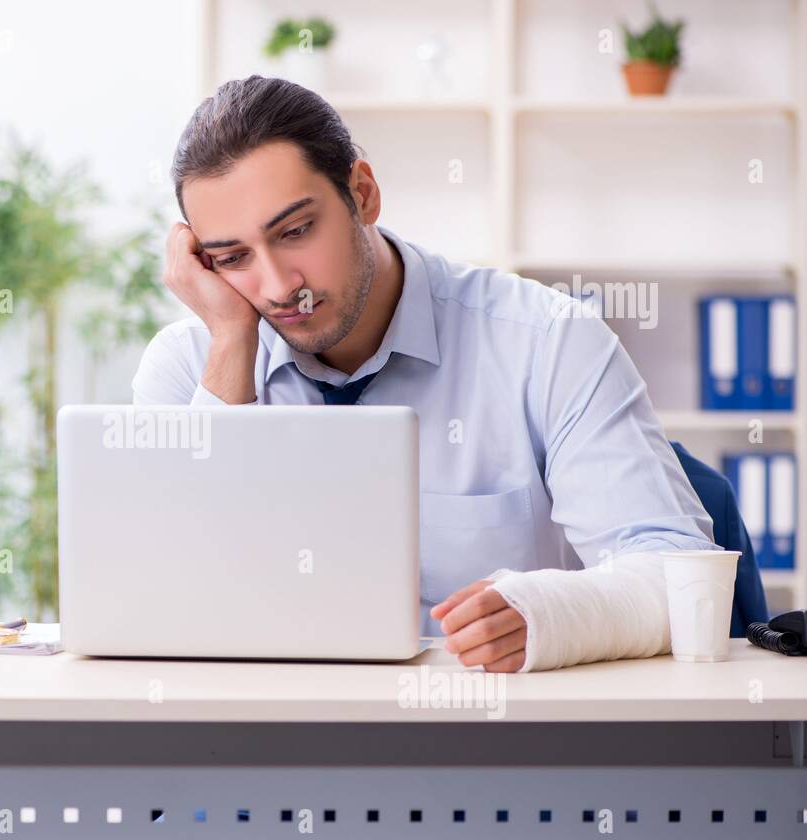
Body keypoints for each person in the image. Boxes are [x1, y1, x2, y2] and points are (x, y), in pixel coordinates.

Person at [132, 75, 721, 673]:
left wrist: (549, 612)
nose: (281, 286)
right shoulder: (191, 367)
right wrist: (232, 347)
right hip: (271, 741)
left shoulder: (547, 343)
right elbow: (162, 598)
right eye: (233, 258)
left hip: (497, 738)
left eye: (296, 231)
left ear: (362, 194)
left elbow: (679, 578)